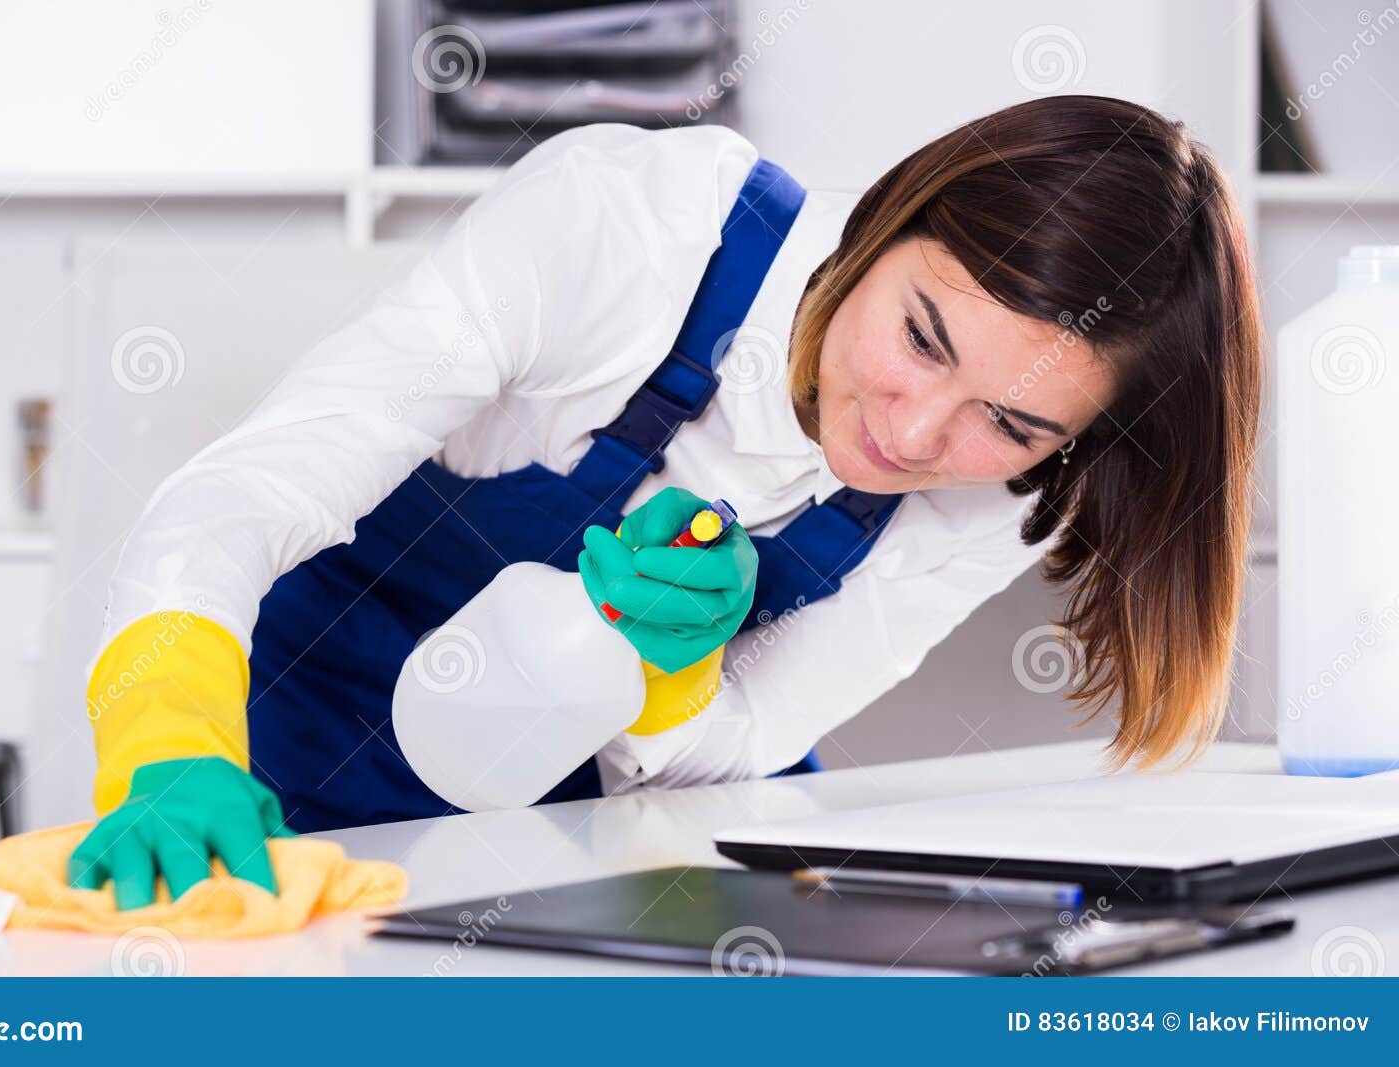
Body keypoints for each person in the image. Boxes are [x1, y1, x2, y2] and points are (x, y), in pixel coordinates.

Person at [68, 95, 1263, 910]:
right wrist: (168, 742)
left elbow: (748, 740)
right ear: (893, 211)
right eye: (920, 334)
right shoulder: (627, 227)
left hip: (595, 873)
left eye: (1008, 423)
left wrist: (676, 669)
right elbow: (255, 485)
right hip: (292, 785)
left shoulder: (1007, 494)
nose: (908, 434)